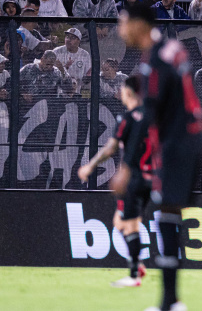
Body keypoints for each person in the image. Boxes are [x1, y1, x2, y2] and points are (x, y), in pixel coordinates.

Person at [110, 2, 202, 311]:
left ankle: (169, 302)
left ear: (139, 24)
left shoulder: (154, 60)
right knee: (169, 214)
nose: (120, 29)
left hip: (176, 144)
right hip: (189, 139)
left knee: (165, 216)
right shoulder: (172, 48)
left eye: (123, 22)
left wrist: (126, 167)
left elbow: (148, 112)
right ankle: (171, 300)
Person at [78, 74, 151, 287]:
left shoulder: (127, 118)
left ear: (128, 92)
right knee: (123, 222)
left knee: (127, 224)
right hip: (151, 178)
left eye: (122, 89)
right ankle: (138, 266)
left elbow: (111, 148)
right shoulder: (152, 118)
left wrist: (90, 166)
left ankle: (134, 274)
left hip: (132, 178)